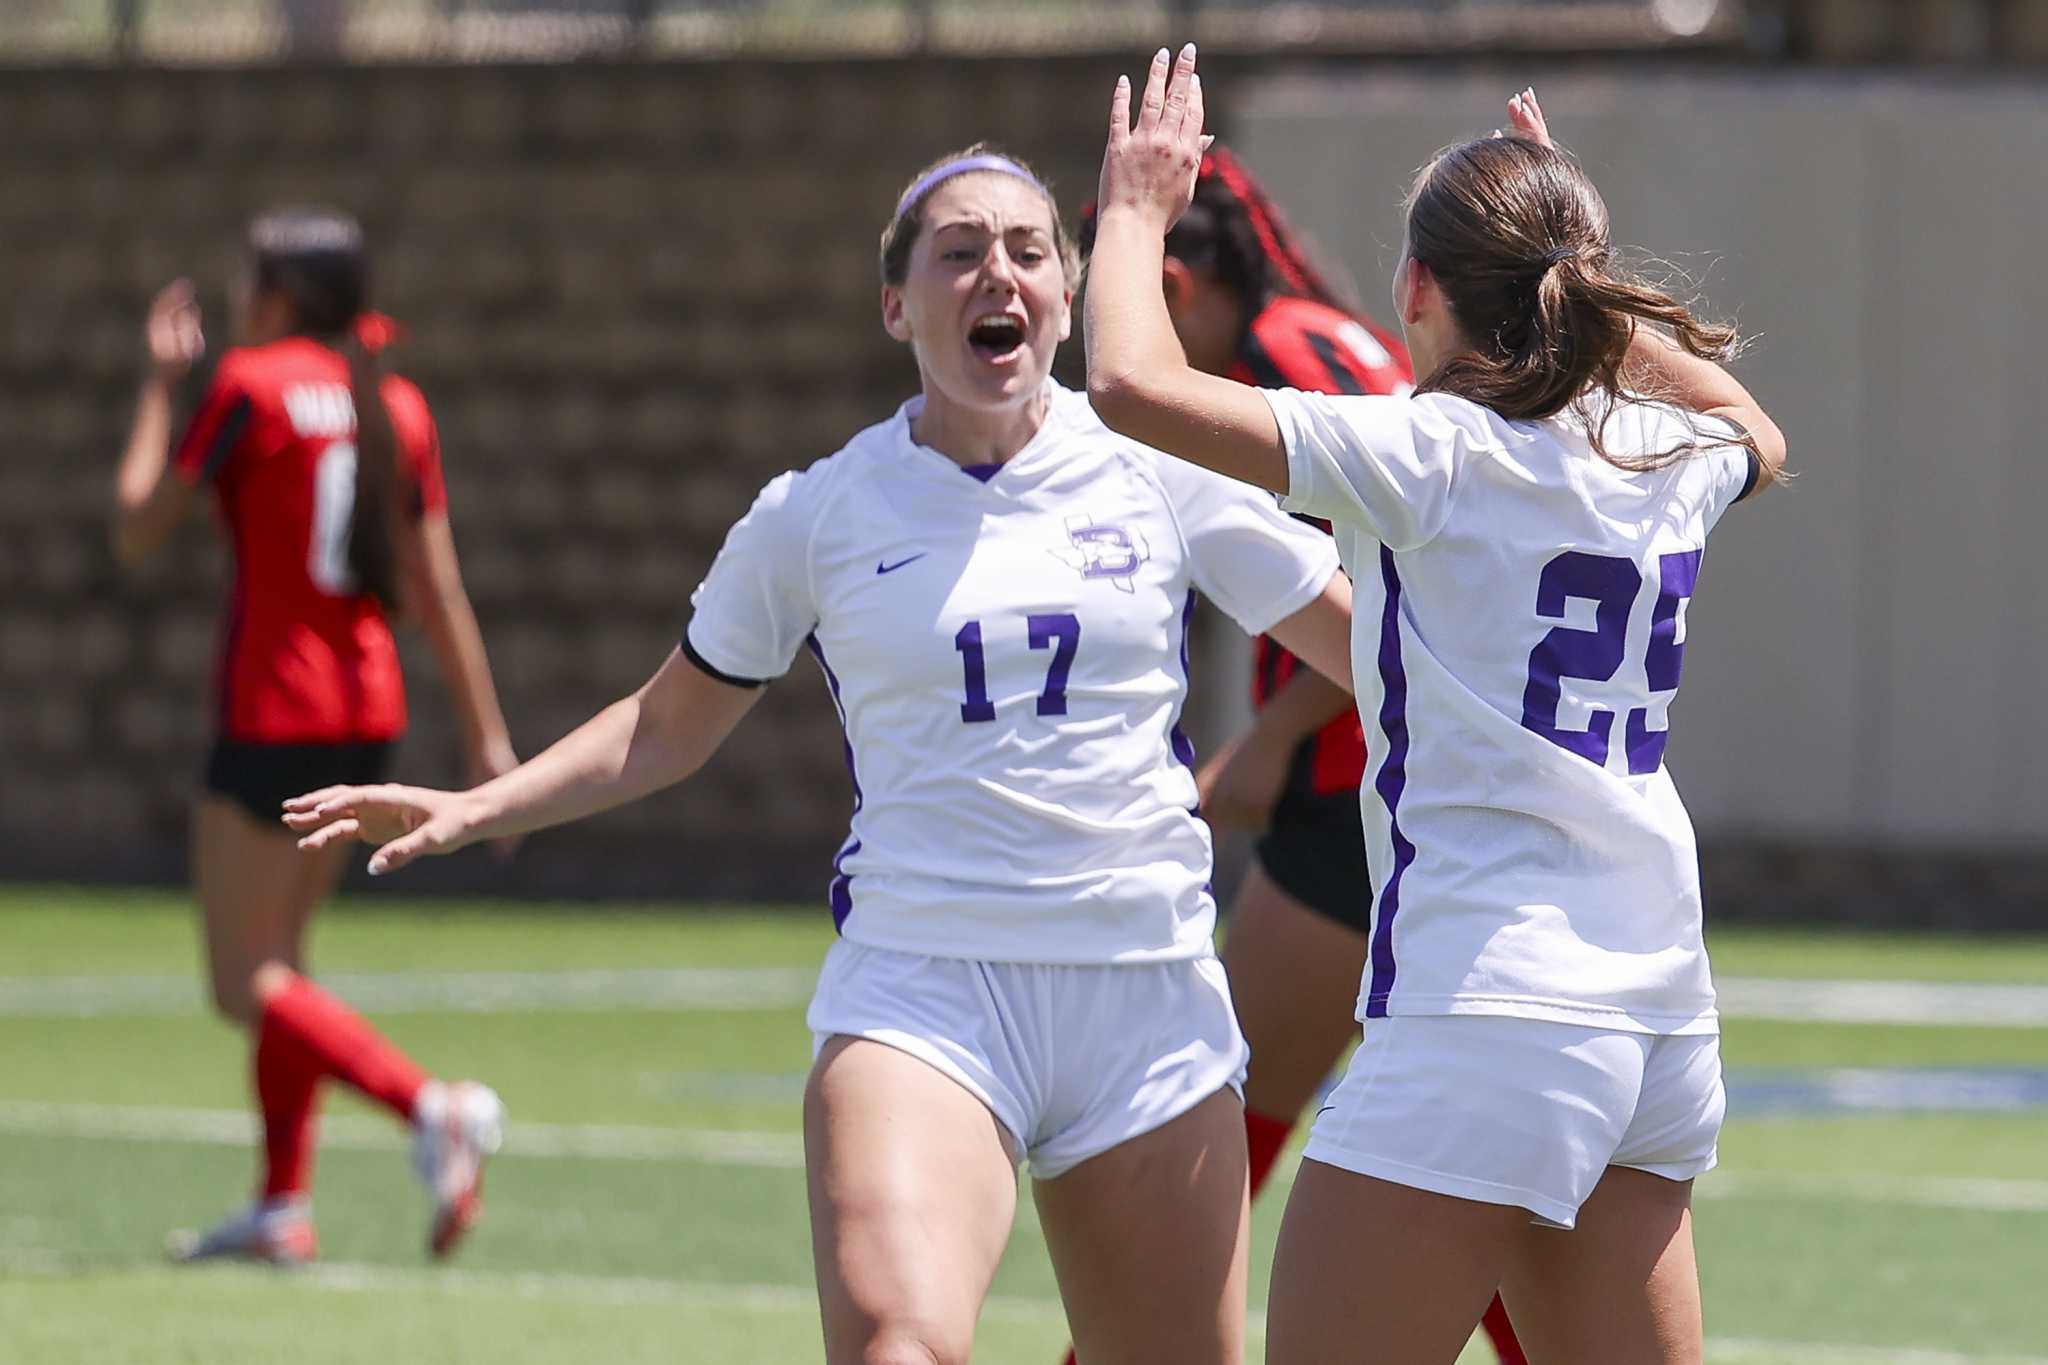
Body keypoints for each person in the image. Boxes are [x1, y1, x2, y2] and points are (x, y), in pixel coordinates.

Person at [281, 146, 1355, 1364]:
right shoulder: (818, 512)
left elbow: (1376, 651)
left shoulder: (1162, 471)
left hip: (1146, 992)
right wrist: (477, 804)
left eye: (1024, 249)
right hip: (929, 992)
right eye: (956, 251)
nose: (992, 272)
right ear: (896, 304)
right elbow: (663, 724)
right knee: (898, 1343)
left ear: (1067, 290)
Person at [1087, 55, 1784, 1365]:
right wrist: (1591, 296)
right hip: (1657, 1017)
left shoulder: (1436, 452)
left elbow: (1130, 385)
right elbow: (1760, 429)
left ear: (1416, 290)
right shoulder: (1661, 453)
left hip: (1489, 1008)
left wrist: (1133, 210)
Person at [1067, 150, 1530, 1365]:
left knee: (1212, 1141)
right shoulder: (1311, 341)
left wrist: (1266, 744)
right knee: (1441, 1177)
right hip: (1400, 798)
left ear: (1177, 278)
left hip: (1360, 799)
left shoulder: (1290, 353)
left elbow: (1402, 597)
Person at [111, 208, 518, 1264]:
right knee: (282, 966)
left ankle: (433, 1108)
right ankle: (282, 1205)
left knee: (239, 982)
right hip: (366, 714)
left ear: (280, 295)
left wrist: (161, 386)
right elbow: (437, 586)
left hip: (269, 712)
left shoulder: (247, 388)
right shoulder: (394, 398)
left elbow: (136, 524)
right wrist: (486, 744)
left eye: (250, 282)